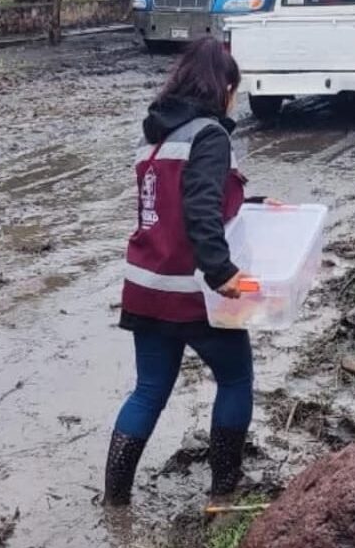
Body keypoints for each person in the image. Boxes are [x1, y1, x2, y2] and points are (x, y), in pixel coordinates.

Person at [104, 37, 255, 506]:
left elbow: (174, 204)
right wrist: (222, 274)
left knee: (148, 390)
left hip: (145, 287)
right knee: (236, 379)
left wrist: (252, 203)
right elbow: (200, 209)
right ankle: (224, 493)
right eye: (235, 89)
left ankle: (115, 500)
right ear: (223, 85)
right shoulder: (210, 135)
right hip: (191, 293)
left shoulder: (154, 136)